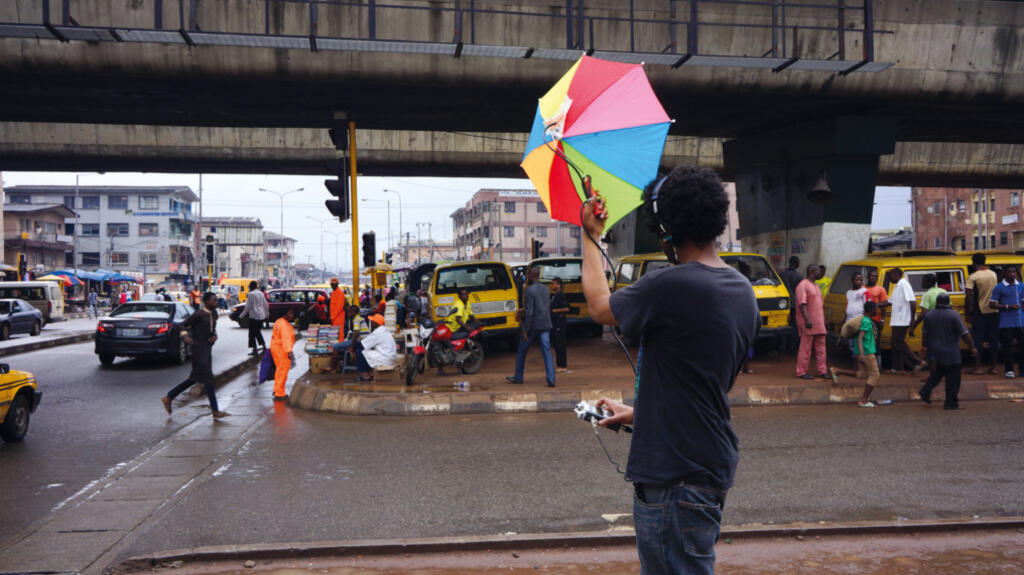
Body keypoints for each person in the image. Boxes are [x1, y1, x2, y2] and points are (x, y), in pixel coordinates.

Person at [581, 165, 759, 575]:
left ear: (666, 227)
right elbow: (700, 385)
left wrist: (590, 235)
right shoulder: (741, 291)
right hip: (706, 466)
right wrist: (638, 415)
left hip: (675, 478)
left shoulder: (674, 285)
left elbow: (598, 306)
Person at [161, 292, 228, 419]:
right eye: (214, 300)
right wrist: (185, 336)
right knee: (208, 379)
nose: (216, 302)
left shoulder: (214, 314)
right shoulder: (198, 315)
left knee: (195, 378)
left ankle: (169, 397)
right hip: (198, 349)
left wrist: (214, 335)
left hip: (207, 349)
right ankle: (215, 411)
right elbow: (183, 325)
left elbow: (213, 330)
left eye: (216, 300)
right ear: (206, 301)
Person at [919, 294, 977, 409]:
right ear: (948, 302)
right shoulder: (953, 315)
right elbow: (964, 334)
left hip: (935, 350)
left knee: (939, 372)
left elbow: (925, 334)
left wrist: (924, 347)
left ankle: (925, 390)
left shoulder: (929, 315)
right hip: (951, 351)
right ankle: (951, 403)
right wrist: (972, 347)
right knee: (953, 378)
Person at [507, 266, 556, 387]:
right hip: (545, 323)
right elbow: (542, 306)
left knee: (521, 351)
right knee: (547, 351)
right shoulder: (546, 289)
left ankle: (518, 377)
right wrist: (524, 309)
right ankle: (551, 379)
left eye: (527, 274)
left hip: (533, 325)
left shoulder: (529, 291)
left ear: (530, 275)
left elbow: (530, 312)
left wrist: (525, 329)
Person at [830, 301, 883, 407]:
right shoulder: (866, 322)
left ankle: (837, 371)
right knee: (875, 375)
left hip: (862, 351)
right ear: (871, 310)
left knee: (862, 374)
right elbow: (860, 338)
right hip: (867, 352)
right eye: (876, 308)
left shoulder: (864, 320)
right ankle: (863, 400)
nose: (877, 310)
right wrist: (862, 354)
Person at [966, 253, 1000, 375]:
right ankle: (994, 367)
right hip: (994, 310)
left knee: (977, 340)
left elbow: (969, 296)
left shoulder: (973, 277)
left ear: (973, 263)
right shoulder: (993, 274)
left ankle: (977, 367)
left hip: (979, 311)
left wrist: (968, 313)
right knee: (993, 339)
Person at [888, 268, 926, 374]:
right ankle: (897, 368)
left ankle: (919, 361)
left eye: (890, 275)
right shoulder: (897, 286)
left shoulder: (904, 284)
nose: (889, 278)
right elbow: (889, 302)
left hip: (902, 320)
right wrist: (875, 304)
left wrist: (912, 319)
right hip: (896, 320)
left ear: (896, 275)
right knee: (895, 343)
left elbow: (912, 302)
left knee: (898, 342)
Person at [795, 264, 830, 380]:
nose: (821, 274)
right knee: (806, 348)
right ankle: (801, 371)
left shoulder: (815, 286)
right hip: (809, 323)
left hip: (819, 323)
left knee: (821, 348)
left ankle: (822, 370)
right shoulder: (803, 285)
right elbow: (802, 304)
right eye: (819, 271)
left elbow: (819, 305)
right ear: (813, 271)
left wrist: (824, 320)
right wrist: (807, 319)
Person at [990, 266, 1024, 378]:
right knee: (1007, 346)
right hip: (1006, 321)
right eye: (1009, 272)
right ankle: (1009, 370)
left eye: (1013, 272)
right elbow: (992, 304)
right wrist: (1007, 306)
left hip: (1020, 321)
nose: (1012, 274)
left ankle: (1022, 369)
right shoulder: (999, 288)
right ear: (1005, 274)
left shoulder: (1021, 285)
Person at [270, 307, 297, 400]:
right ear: (285, 315)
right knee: (282, 371)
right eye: (290, 313)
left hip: (277, 348)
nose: (292, 315)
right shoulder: (284, 326)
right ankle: (279, 393)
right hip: (282, 350)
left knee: (280, 370)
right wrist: (289, 351)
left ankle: (277, 389)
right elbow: (286, 340)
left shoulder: (279, 322)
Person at [780, 256, 802, 354]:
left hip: (782, 304)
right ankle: (792, 349)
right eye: (798, 262)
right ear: (796, 263)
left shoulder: (782, 274)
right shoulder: (799, 277)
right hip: (794, 304)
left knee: (783, 326)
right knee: (794, 326)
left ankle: (782, 348)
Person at [239, 280, 268, 356]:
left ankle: (255, 349)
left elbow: (248, 307)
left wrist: (241, 316)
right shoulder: (261, 293)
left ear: (251, 286)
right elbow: (265, 305)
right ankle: (263, 346)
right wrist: (266, 314)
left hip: (254, 316)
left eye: (249, 286)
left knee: (252, 333)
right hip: (261, 316)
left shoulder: (251, 294)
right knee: (257, 331)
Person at [549, 277, 570, 373]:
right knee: (556, 343)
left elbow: (566, 309)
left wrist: (556, 311)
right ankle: (559, 364)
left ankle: (563, 365)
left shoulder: (561, 295)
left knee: (560, 343)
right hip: (554, 322)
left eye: (553, 284)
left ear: (558, 285)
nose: (551, 286)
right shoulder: (554, 295)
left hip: (559, 322)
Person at [844, 272, 868, 354]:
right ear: (852, 281)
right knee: (851, 345)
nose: (859, 282)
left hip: (859, 321)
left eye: (861, 280)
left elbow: (867, 306)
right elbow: (848, 306)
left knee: (859, 343)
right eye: (857, 280)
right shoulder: (848, 292)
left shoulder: (864, 291)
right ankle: (855, 364)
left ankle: (860, 364)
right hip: (849, 321)